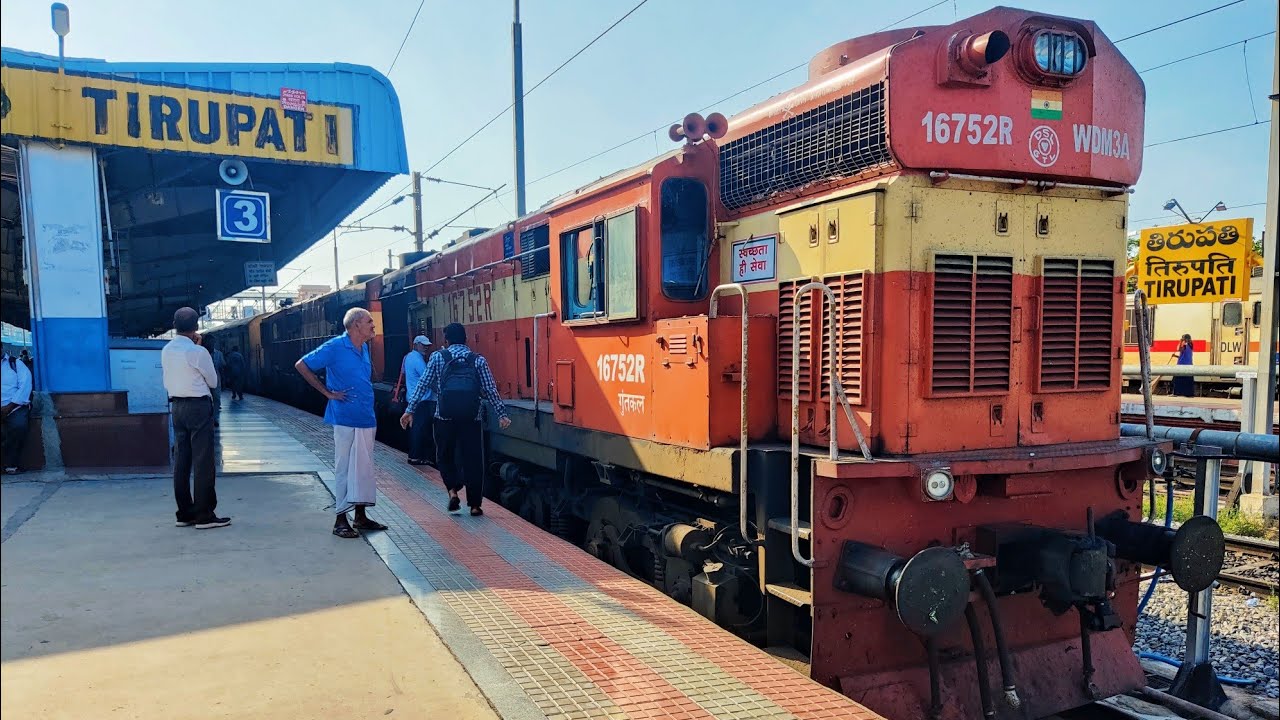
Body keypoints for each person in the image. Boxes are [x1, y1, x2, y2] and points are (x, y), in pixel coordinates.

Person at [400, 322, 511, 517]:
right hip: (471, 417)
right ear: (466, 339)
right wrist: (501, 414)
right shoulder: (478, 360)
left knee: (444, 455)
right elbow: (491, 390)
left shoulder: (437, 357)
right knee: (474, 460)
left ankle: (452, 491)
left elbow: (423, 384)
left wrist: (410, 410)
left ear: (446, 340)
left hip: (444, 417)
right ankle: (475, 505)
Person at [295, 308, 387, 539]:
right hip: (345, 417)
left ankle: (361, 516)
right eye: (369, 322)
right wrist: (327, 393)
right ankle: (340, 519)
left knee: (363, 468)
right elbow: (302, 365)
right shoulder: (335, 346)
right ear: (356, 325)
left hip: (366, 416)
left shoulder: (363, 347)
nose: (373, 326)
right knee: (344, 467)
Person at [161, 308, 229, 529]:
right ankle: (204, 515)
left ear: (174, 324)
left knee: (181, 460)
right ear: (196, 327)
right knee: (202, 460)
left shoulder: (167, 349)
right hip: (198, 407)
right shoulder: (198, 352)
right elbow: (213, 382)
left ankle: (184, 513)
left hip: (177, 407)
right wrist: (199, 350)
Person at [402, 335, 435, 465]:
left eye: (427, 345)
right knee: (420, 428)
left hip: (413, 397)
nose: (426, 347)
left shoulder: (408, 357)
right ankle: (416, 456)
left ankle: (415, 455)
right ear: (416, 344)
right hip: (421, 400)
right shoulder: (418, 360)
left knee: (417, 427)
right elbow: (427, 377)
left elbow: (404, 374)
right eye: (423, 345)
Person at [2, 346, 34, 474]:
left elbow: (25, 385)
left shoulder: (16, 364)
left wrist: (9, 407)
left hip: (15, 406)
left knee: (18, 426)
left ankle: (11, 464)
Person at [206, 338, 225, 427]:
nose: (211, 345)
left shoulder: (219, 354)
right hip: (204, 379)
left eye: (212, 343)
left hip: (216, 378)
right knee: (206, 399)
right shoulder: (202, 353)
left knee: (216, 398)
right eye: (209, 343)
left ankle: (215, 418)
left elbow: (222, 366)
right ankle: (207, 417)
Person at [1170, 333, 1195, 397]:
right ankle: (1189, 394)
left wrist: (1181, 342)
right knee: (1188, 380)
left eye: (1183, 338)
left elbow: (1179, 349)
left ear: (1185, 339)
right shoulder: (1190, 346)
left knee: (1177, 380)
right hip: (1189, 365)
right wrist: (1175, 356)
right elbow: (1184, 356)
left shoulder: (1184, 345)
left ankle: (1176, 393)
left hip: (1182, 365)